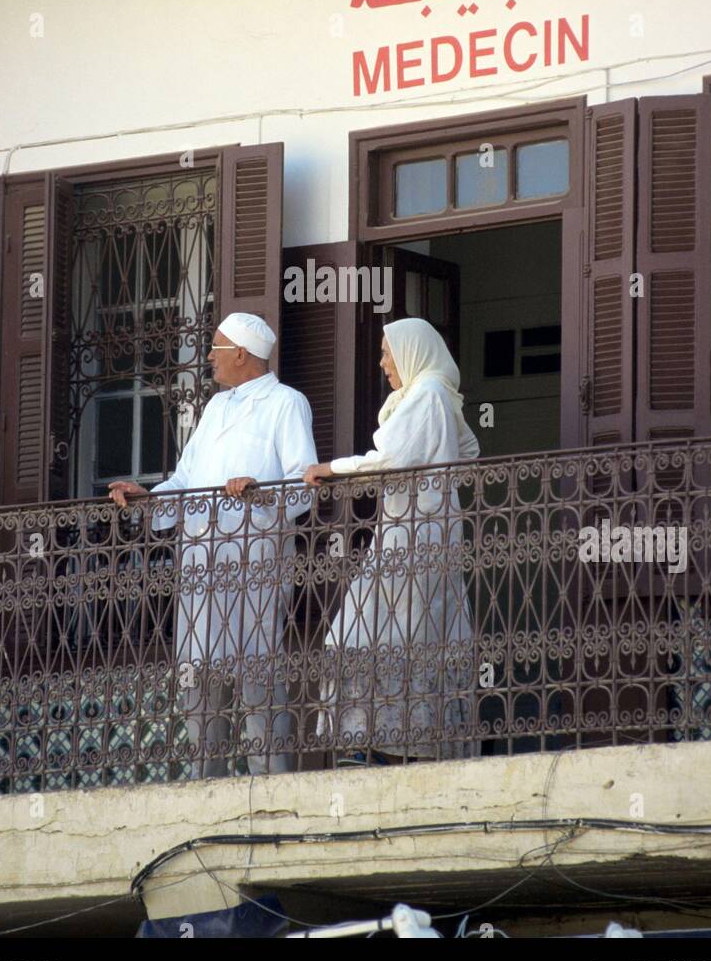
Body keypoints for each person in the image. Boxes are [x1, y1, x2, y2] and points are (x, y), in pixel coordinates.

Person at [109, 312, 317, 777]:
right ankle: (208, 785)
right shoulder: (216, 408)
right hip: (202, 560)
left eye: (216, 348)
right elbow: (186, 479)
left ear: (241, 354)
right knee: (199, 674)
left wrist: (259, 489)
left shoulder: (287, 403)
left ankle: (273, 783)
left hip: (254, 557)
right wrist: (150, 496)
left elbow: (304, 485)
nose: (208, 357)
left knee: (256, 673)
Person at [304, 317, 479, 765]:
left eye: (387, 351)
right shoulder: (435, 395)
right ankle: (398, 746)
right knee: (404, 639)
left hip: (414, 535)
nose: (382, 362)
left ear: (412, 352)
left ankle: (371, 745)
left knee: (361, 636)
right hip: (420, 528)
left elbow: (392, 459)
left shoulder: (428, 394)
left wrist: (333, 468)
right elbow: (469, 451)